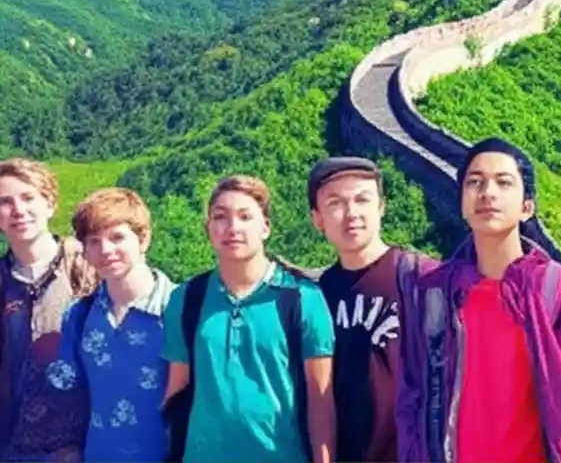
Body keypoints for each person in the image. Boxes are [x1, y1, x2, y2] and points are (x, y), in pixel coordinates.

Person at [396, 137, 561, 463]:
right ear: (463, 203)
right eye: (475, 182)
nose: (487, 192)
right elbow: (411, 397)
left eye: (503, 182)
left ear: (526, 207)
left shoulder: (557, 288)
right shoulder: (432, 293)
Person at [161, 175, 336, 463]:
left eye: (245, 217)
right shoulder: (187, 299)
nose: (233, 228)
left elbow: (321, 401)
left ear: (265, 227)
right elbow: (176, 389)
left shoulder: (301, 298)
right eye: (220, 217)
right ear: (208, 229)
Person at [309, 156, 439, 462]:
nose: (351, 213)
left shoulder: (422, 279)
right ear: (317, 219)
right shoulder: (316, 298)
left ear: (381, 207)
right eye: (336, 203)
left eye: (362, 199)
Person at [46, 187, 176, 462]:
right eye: (94, 241)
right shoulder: (79, 316)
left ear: (143, 239)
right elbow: (69, 393)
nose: (105, 250)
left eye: (117, 237)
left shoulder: (181, 309)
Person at [0, 158, 97, 462]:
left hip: (77, 445)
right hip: (10, 443)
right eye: (5, 201)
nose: (18, 210)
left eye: (28, 198)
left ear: (50, 204)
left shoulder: (87, 264)